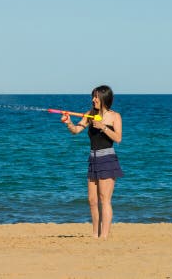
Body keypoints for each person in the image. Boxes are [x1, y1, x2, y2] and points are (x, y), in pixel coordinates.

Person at [61, 85, 123, 239]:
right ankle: (95, 234)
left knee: (104, 199)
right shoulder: (90, 114)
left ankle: (104, 235)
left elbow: (118, 138)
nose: (93, 99)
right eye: (93, 96)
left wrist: (103, 127)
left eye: (96, 97)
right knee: (92, 200)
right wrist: (68, 122)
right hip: (93, 158)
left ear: (104, 98)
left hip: (107, 158)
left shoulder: (115, 116)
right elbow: (76, 130)